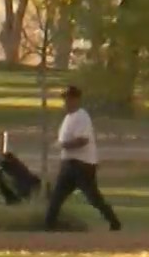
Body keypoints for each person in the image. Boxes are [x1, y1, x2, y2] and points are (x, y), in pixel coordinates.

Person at [44, 85, 122, 231]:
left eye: (69, 98)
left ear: (77, 100)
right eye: (65, 98)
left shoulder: (82, 116)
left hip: (82, 165)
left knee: (93, 198)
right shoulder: (68, 118)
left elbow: (83, 140)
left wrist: (64, 145)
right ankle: (48, 224)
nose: (66, 102)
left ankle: (114, 222)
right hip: (69, 164)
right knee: (57, 196)